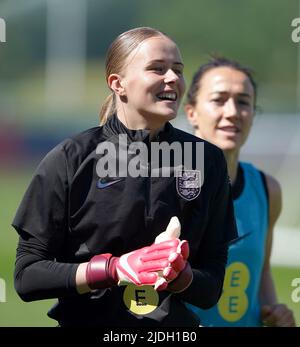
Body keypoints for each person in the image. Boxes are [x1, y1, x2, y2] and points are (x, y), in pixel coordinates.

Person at [12, 28, 237, 327]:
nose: (172, 78)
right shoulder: (70, 158)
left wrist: (179, 276)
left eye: (178, 70)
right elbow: (27, 276)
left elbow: (211, 288)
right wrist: (114, 269)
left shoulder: (208, 161)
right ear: (118, 84)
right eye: (157, 68)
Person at [184, 56, 296, 327]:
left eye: (243, 102)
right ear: (191, 112)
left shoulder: (267, 190)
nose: (233, 111)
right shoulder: (161, 186)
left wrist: (275, 311)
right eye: (219, 99)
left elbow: (262, 271)